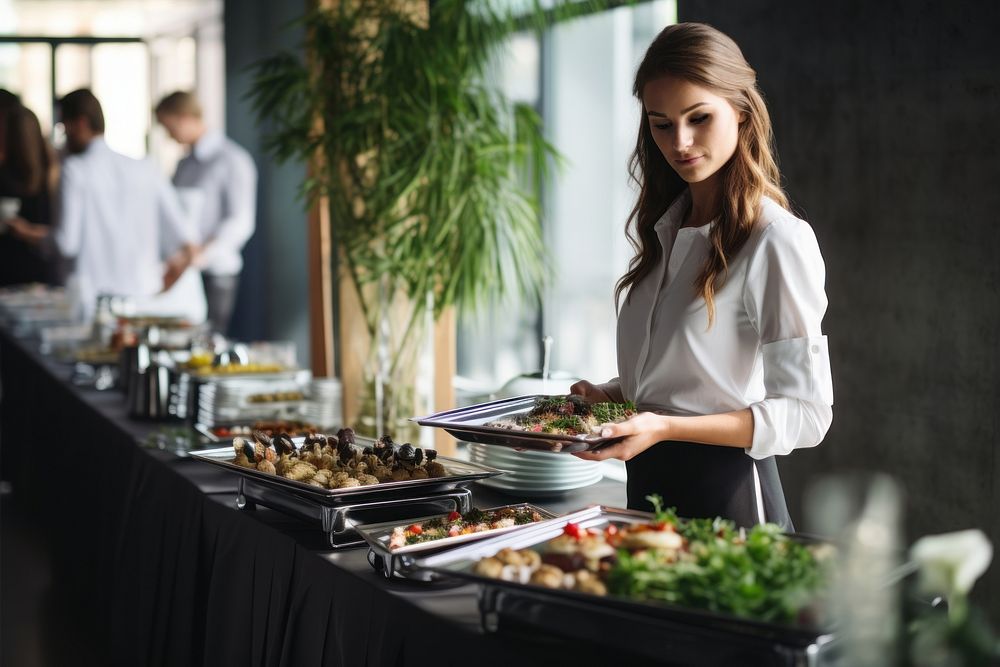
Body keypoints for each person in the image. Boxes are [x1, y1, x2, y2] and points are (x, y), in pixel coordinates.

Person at [570, 23, 833, 530]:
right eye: (661, 123)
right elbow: (690, 378)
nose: (681, 142)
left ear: (741, 111)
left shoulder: (775, 238)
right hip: (646, 495)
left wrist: (664, 426)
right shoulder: (666, 229)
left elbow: (807, 415)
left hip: (730, 503)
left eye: (699, 118)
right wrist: (610, 396)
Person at [9, 89, 205, 322]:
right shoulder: (146, 168)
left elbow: (65, 244)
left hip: (91, 305)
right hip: (142, 300)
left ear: (80, 123)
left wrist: (26, 232)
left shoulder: (75, 171)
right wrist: (167, 281)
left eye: (63, 127)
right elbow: (188, 242)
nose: (62, 137)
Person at [154, 91, 257, 335]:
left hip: (216, 275)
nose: (168, 136)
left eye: (169, 127)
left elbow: (240, 221)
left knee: (206, 344)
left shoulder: (232, 160)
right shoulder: (184, 165)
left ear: (186, 118)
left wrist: (202, 254)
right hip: (183, 274)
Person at [0, 97, 61, 286]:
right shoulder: (53, 174)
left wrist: (24, 231)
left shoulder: (57, 176)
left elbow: (64, 237)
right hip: (43, 274)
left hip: (16, 272)